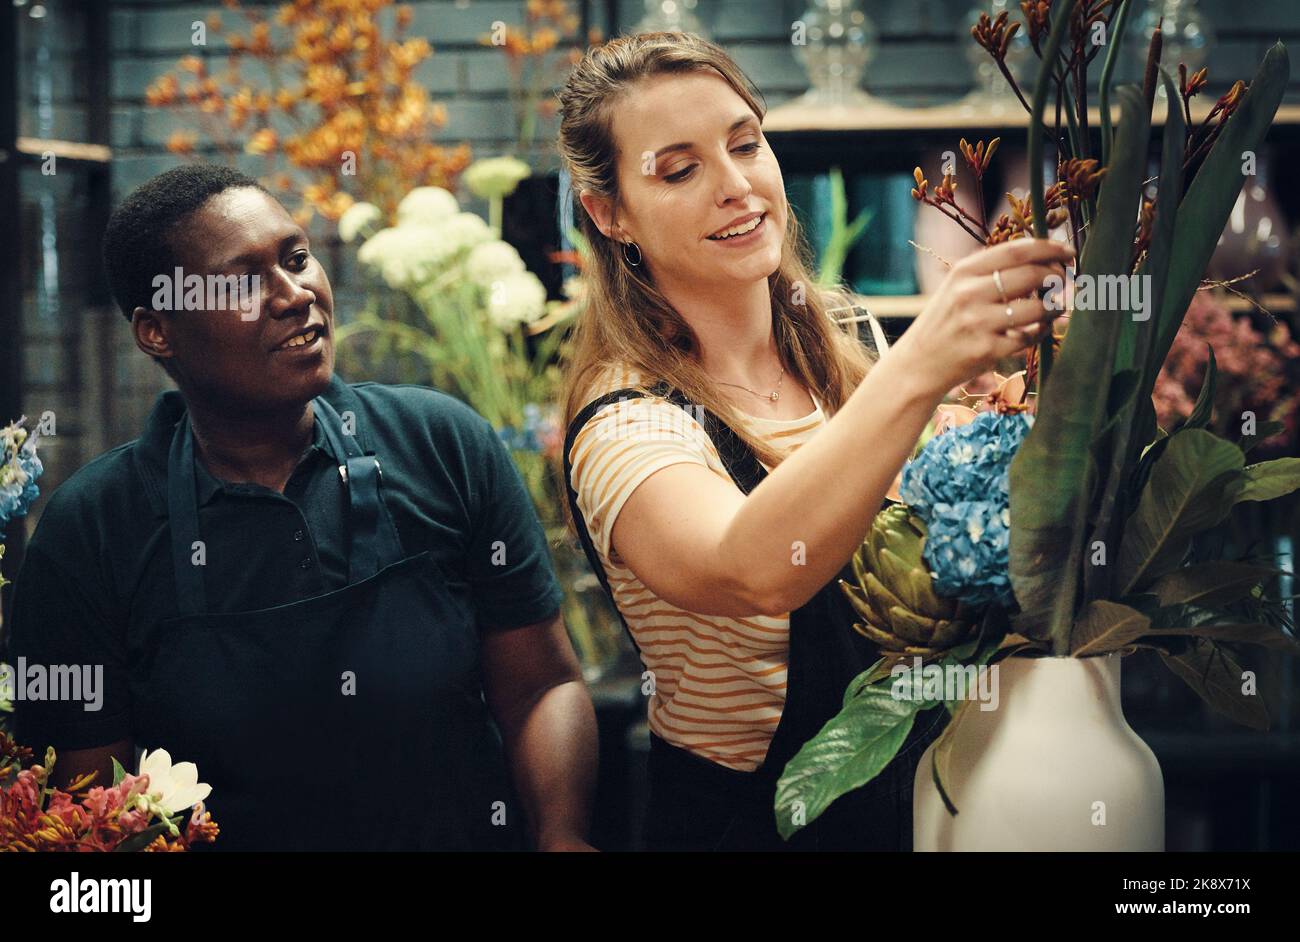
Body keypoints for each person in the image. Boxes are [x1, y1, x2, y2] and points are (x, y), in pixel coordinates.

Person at [558, 32, 1074, 851]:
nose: (737, 188)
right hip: (747, 828)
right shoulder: (624, 418)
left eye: (745, 144)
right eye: (680, 170)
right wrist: (918, 368)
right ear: (609, 211)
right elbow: (750, 568)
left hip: (917, 795)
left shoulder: (842, 333)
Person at [8, 164, 598, 851]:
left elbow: (540, 689)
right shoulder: (91, 531)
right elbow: (89, 817)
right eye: (243, 281)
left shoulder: (442, 442)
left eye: (296, 259)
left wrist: (563, 835)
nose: (295, 295)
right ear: (156, 330)